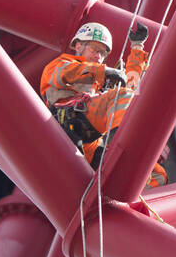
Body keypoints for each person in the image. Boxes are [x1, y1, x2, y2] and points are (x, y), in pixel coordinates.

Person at [39, 21, 166, 188]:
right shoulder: (59, 65)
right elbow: (67, 72)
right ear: (78, 46)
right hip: (68, 124)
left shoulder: (99, 82)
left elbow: (131, 89)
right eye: (95, 50)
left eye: (103, 53)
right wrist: (104, 71)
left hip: (89, 141)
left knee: (158, 175)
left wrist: (136, 48)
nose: (99, 56)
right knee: (123, 96)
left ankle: (127, 194)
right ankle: (123, 147)